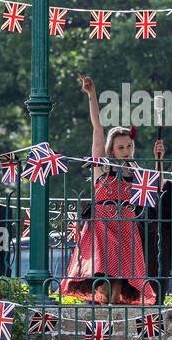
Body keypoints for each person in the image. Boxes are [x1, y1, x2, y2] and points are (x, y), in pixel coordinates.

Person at [60, 75, 163, 305]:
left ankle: (114, 305)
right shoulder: (103, 165)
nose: (126, 150)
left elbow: (158, 186)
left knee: (120, 280)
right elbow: (97, 126)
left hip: (125, 218)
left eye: (129, 146)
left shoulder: (135, 171)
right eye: (121, 147)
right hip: (103, 221)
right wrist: (92, 95)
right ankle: (102, 299)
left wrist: (159, 160)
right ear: (112, 150)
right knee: (105, 271)